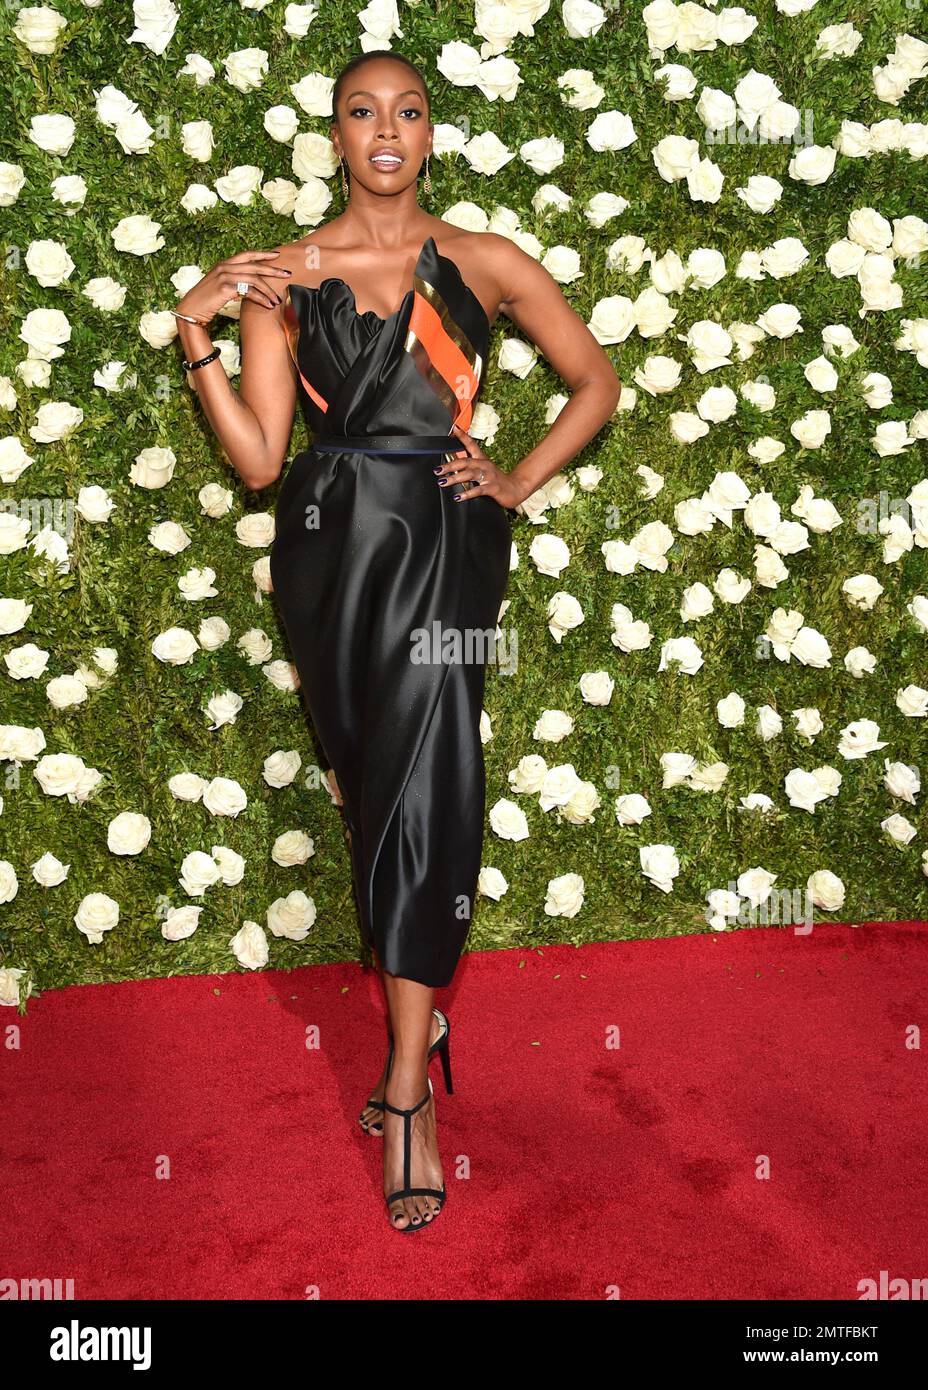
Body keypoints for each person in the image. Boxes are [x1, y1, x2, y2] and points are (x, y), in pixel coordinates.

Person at [170, 49, 622, 1233]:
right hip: (329, 554)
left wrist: (514, 478)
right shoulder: (283, 278)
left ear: (430, 134)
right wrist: (194, 332)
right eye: (361, 111)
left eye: (407, 111)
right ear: (333, 134)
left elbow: (595, 381)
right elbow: (260, 461)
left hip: (443, 543)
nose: (385, 129)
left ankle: (408, 1089)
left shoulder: (484, 260)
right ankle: (425, 1018)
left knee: (427, 786)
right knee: (369, 793)